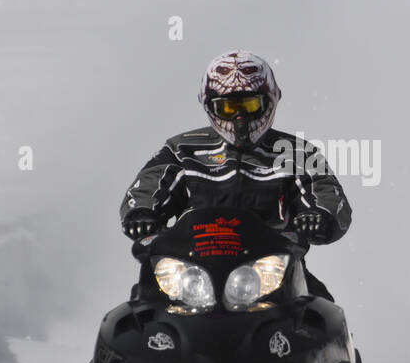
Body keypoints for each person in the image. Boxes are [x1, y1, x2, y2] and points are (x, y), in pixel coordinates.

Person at [119, 50, 350, 299]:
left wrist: (319, 216)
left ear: (270, 100)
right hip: (189, 271)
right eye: (228, 107)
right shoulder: (182, 150)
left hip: (271, 271)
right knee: (135, 314)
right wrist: (141, 213)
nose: (239, 119)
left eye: (249, 105)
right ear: (209, 105)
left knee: (323, 313)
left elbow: (325, 191)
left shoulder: (298, 153)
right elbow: (150, 183)